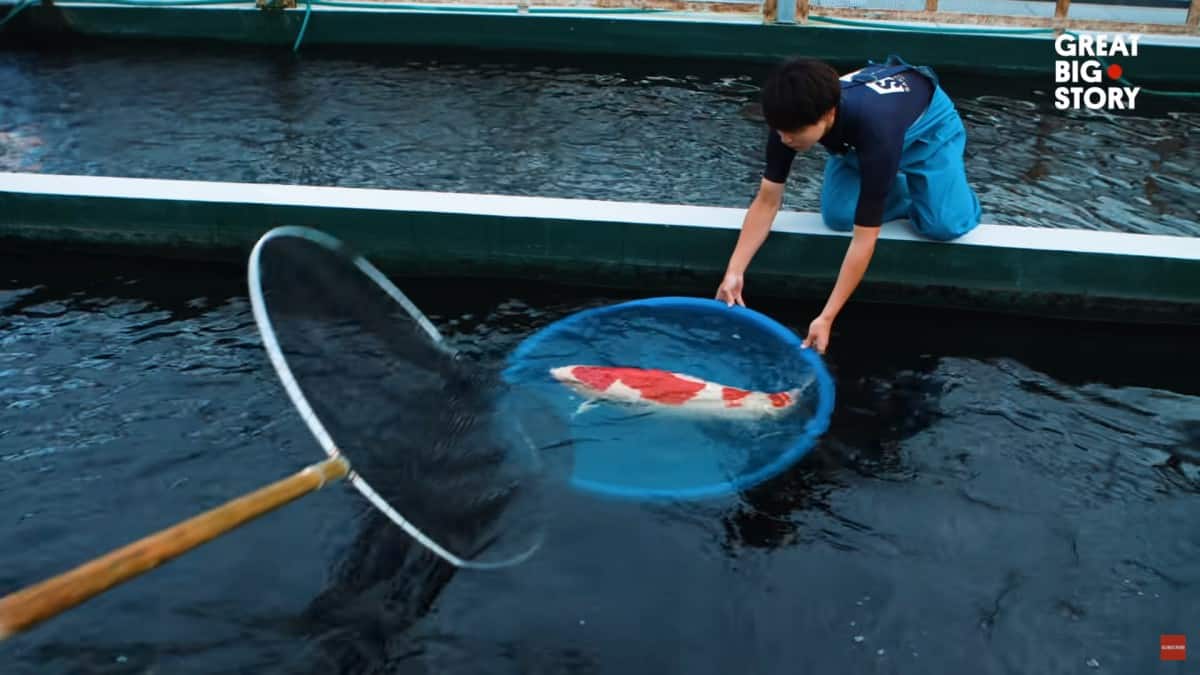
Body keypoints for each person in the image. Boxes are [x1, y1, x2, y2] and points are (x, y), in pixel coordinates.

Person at [715, 54, 982, 354]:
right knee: (839, 215)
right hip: (857, 138)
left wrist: (826, 317)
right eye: (779, 131)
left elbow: (865, 241)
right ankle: (888, 188)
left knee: (944, 224)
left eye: (795, 132)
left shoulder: (877, 131)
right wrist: (734, 270)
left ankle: (943, 193)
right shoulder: (788, 120)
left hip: (927, 127)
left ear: (828, 114)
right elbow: (766, 201)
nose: (785, 139)